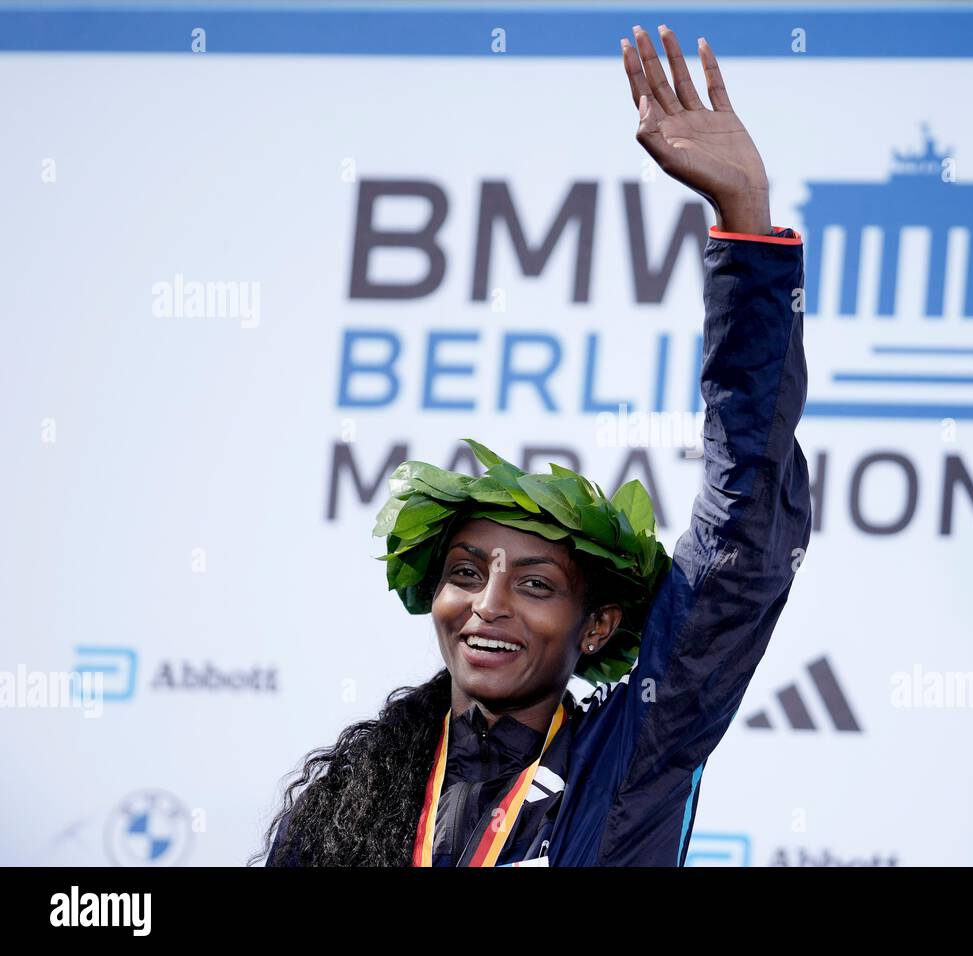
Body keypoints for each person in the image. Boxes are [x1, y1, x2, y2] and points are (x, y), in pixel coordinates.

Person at [255, 23, 811, 868]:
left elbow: (740, 537)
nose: (488, 605)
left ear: (598, 628)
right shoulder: (352, 796)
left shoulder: (629, 758)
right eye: (466, 573)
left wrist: (745, 222)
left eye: (538, 584)